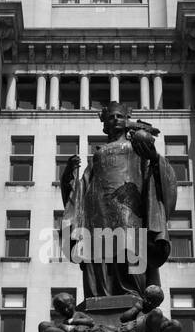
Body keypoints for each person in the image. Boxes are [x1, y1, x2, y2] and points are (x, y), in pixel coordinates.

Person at [60, 102, 178, 301]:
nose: (115, 120)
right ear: (105, 125)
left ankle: (132, 296)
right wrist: (68, 179)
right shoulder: (98, 155)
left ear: (127, 121)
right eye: (111, 117)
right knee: (98, 256)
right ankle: (99, 298)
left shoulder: (136, 147)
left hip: (129, 208)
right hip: (98, 210)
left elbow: (158, 176)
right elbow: (83, 188)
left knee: (129, 249)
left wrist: (155, 158)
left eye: (119, 117)